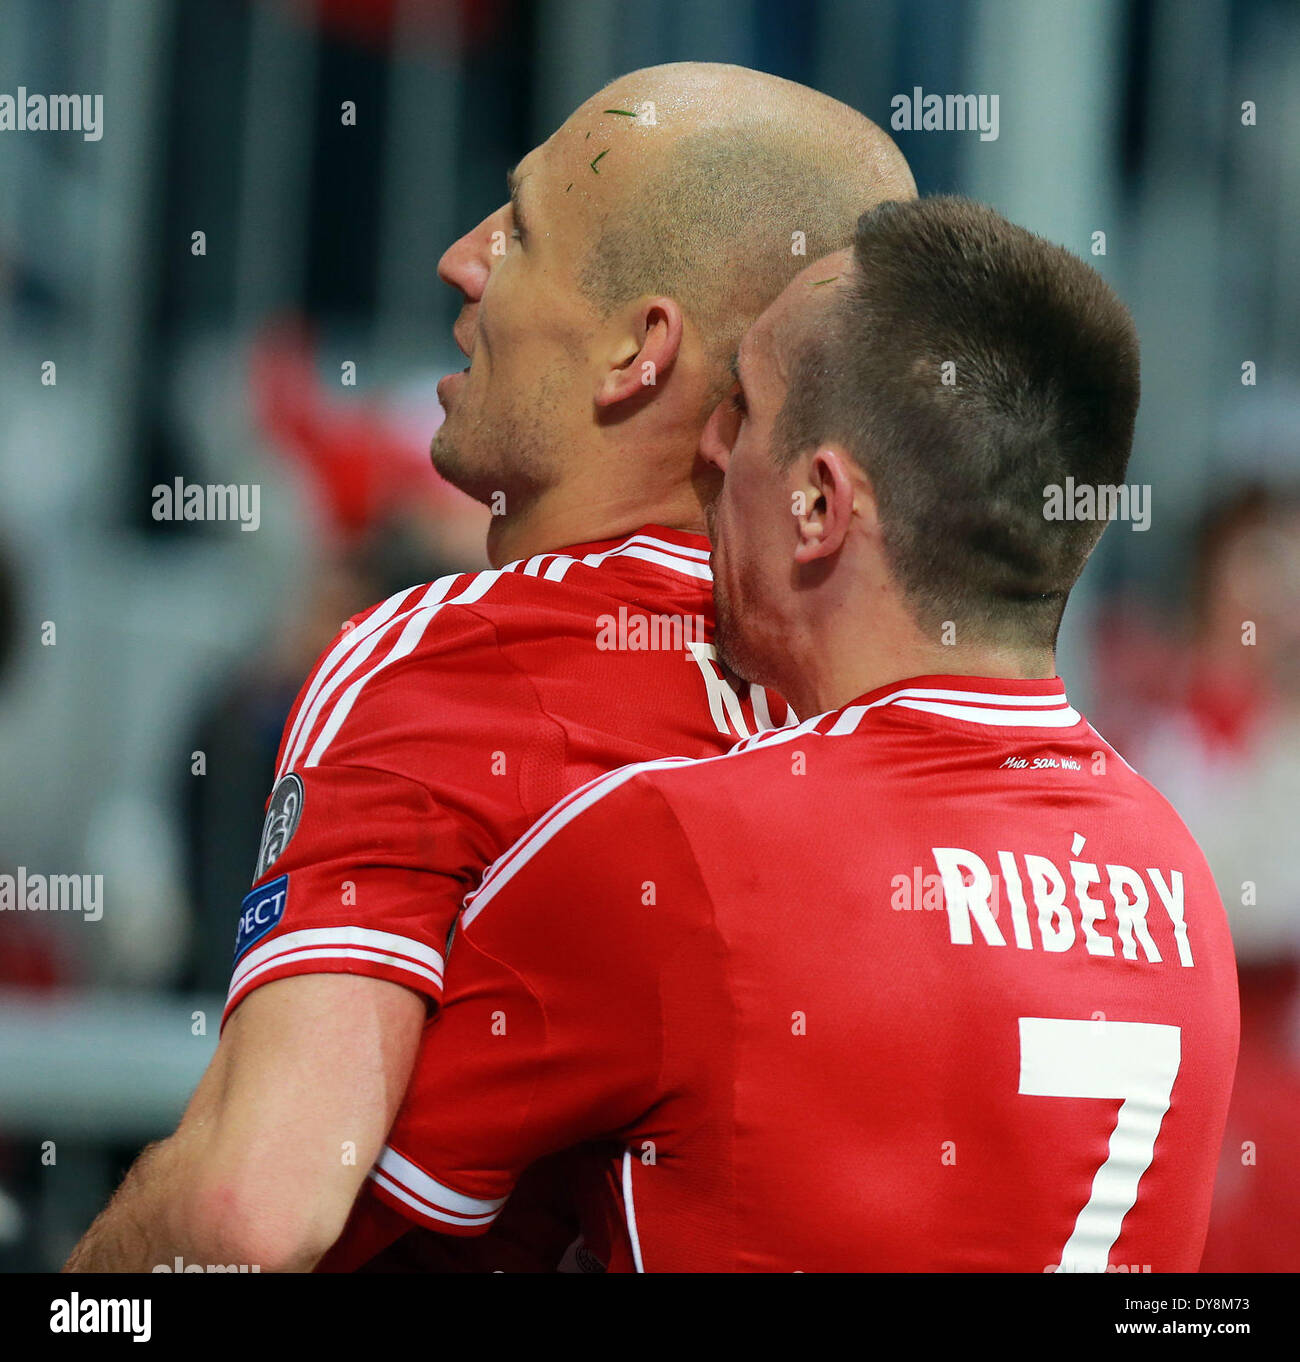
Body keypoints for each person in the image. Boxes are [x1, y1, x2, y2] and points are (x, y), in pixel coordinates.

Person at [64, 63, 915, 1273]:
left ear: (638, 350)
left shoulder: (445, 657)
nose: (460, 261)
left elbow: (252, 1213)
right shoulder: (906, 706)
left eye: (518, 231)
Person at [338, 198, 1239, 1272]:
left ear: (818, 506)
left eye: (744, 409)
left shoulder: (678, 848)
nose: (710, 450)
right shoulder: (1176, 876)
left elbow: (324, 1235)